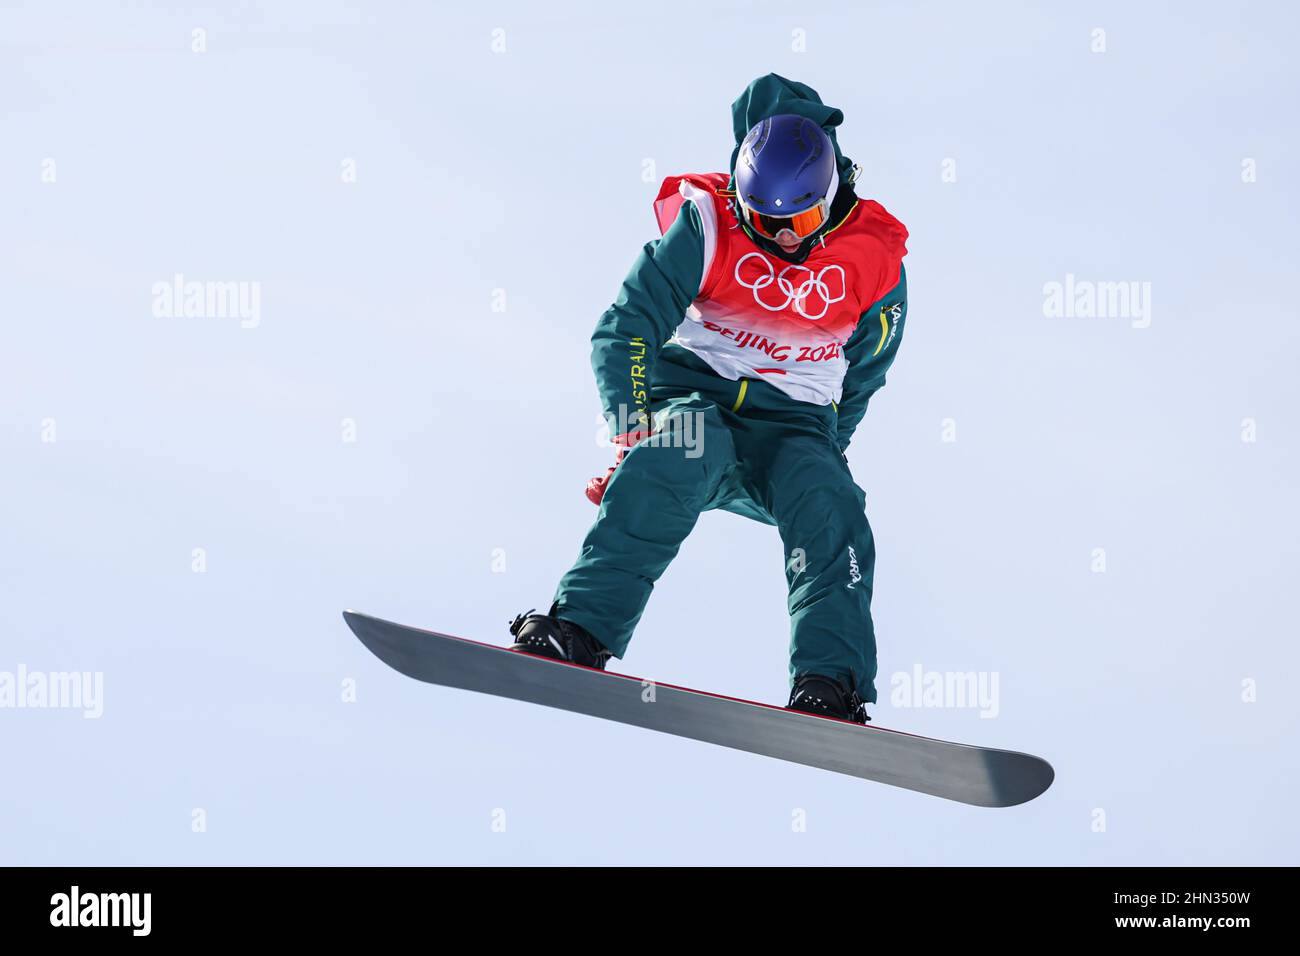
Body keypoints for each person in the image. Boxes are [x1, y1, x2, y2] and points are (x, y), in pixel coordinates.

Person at [509, 74, 909, 724]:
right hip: (697, 397)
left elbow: (865, 370)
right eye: (769, 222)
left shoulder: (875, 258)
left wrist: (828, 452)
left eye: (804, 219)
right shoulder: (707, 225)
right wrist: (630, 427)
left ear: (832, 191)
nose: (787, 238)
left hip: (795, 423)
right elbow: (627, 325)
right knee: (677, 453)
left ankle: (830, 683)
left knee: (830, 502)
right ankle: (579, 628)